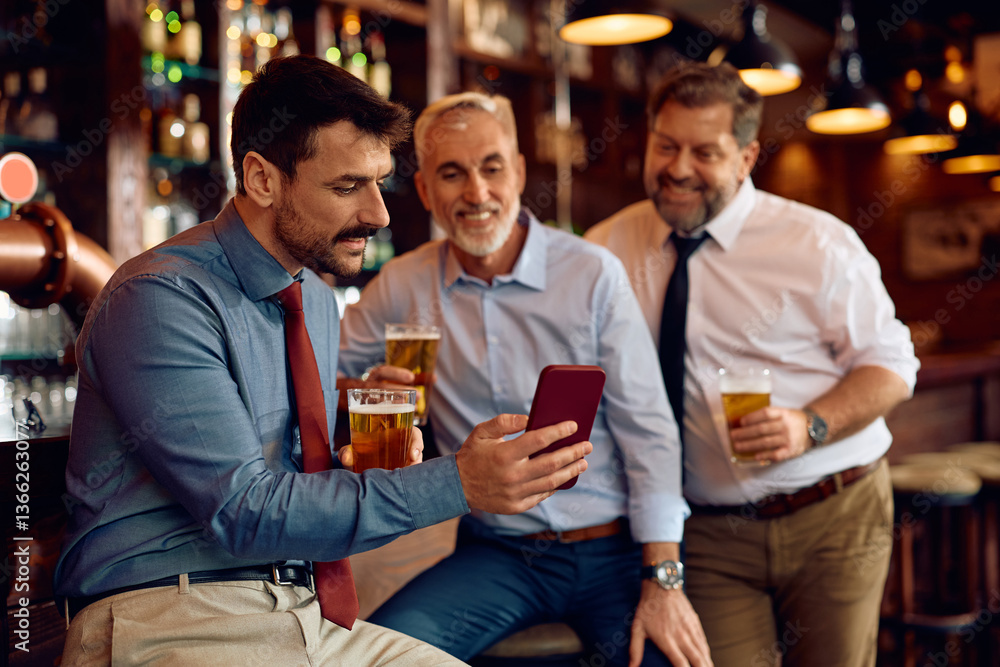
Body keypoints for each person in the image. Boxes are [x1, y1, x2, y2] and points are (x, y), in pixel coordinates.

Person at [53, 55, 593, 666]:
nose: (380, 214)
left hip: (298, 612)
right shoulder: (159, 299)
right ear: (261, 179)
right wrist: (460, 482)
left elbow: (268, 445)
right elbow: (242, 511)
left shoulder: (312, 296)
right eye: (346, 187)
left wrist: (343, 423)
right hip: (171, 616)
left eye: (379, 182)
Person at [337, 92, 711, 667]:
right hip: (499, 555)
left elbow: (651, 433)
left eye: (491, 168)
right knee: (372, 660)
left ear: (517, 171)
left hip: (613, 549)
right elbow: (321, 372)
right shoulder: (403, 283)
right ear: (426, 193)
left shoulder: (590, 273)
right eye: (452, 174)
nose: (477, 193)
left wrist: (663, 578)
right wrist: (368, 390)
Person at [585, 62, 920, 667]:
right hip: (709, 534)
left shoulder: (817, 243)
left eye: (705, 152)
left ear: (746, 156)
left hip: (833, 515)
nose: (679, 168)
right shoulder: (605, 248)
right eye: (666, 146)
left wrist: (808, 424)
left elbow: (893, 366)